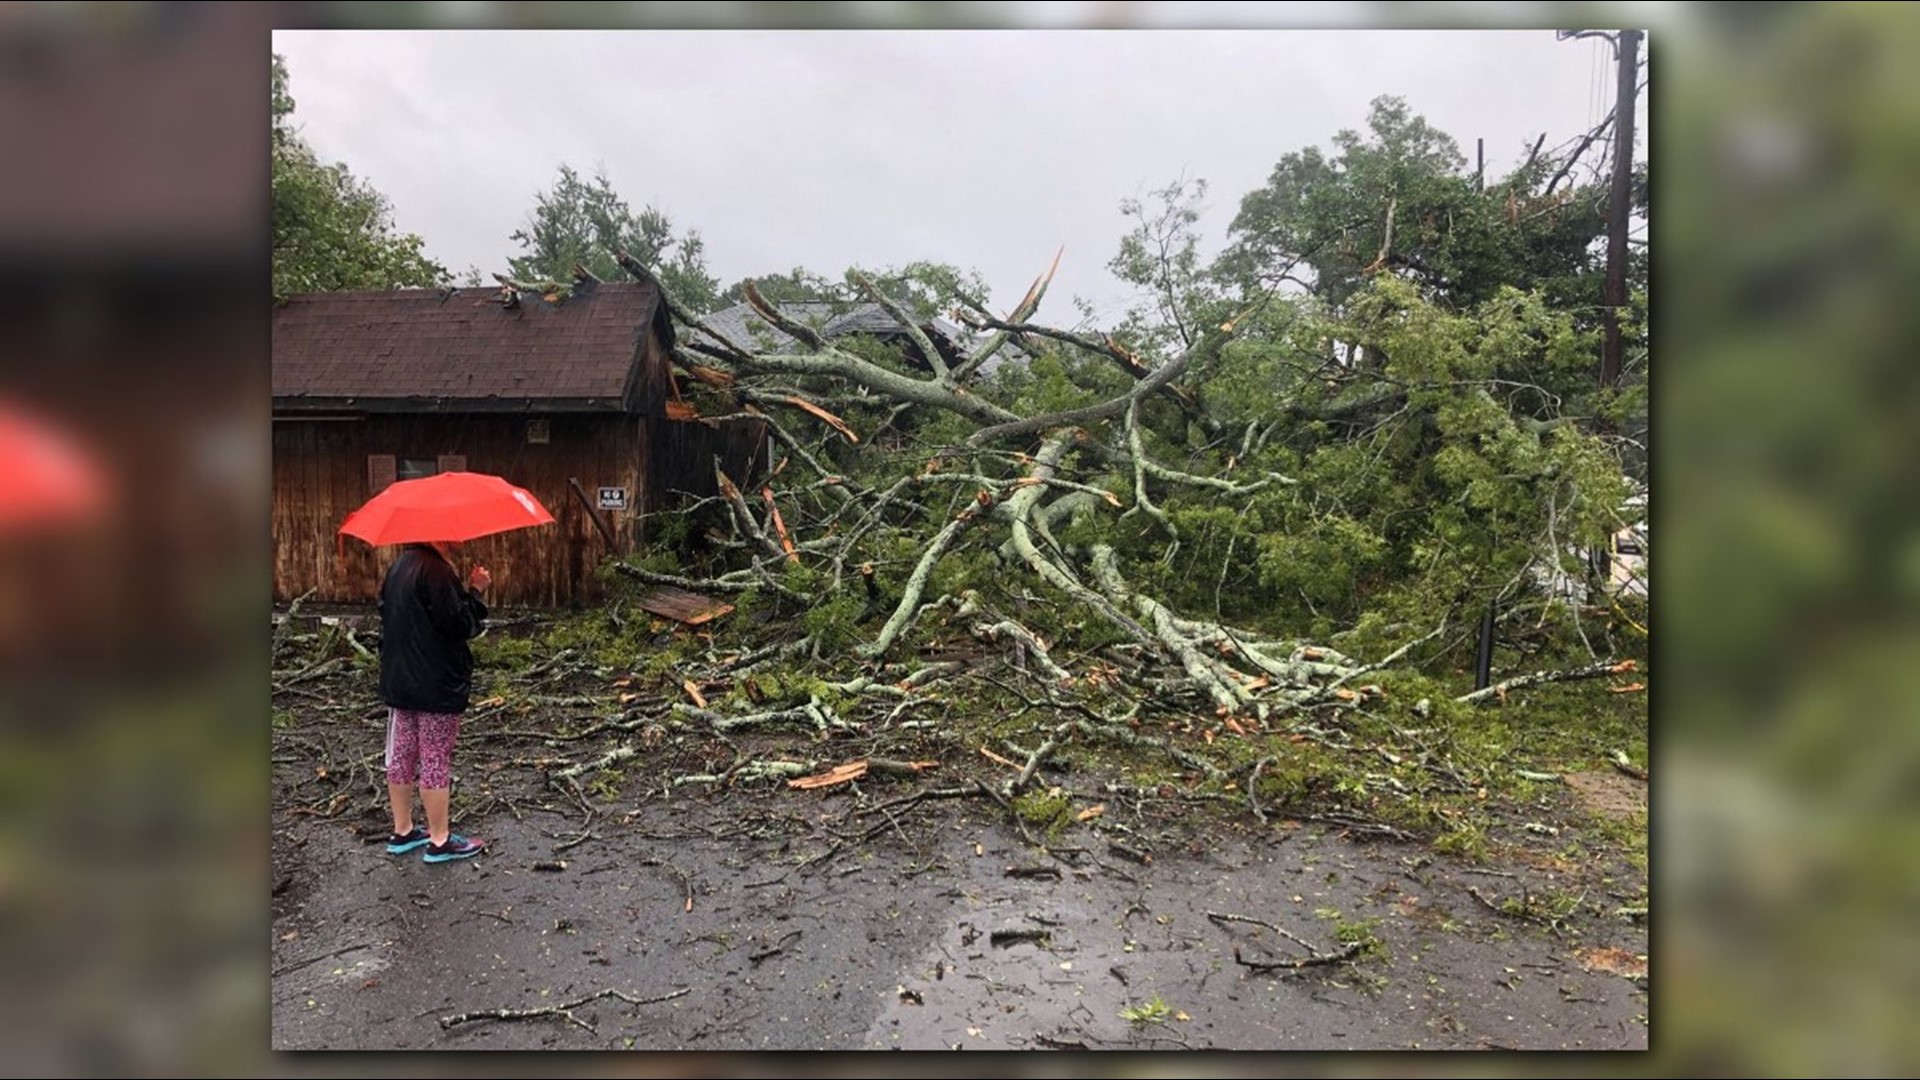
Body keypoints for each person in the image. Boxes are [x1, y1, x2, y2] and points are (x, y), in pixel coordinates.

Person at [376, 540, 491, 863]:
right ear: (438, 534)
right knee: (435, 756)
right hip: (436, 682)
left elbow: (384, 617)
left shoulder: (399, 567)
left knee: (402, 754)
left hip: (400, 679)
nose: (460, 538)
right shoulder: (437, 572)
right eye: (454, 532)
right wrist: (476, 592)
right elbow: (459, 625)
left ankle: (403, 830)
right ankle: (440, 840)